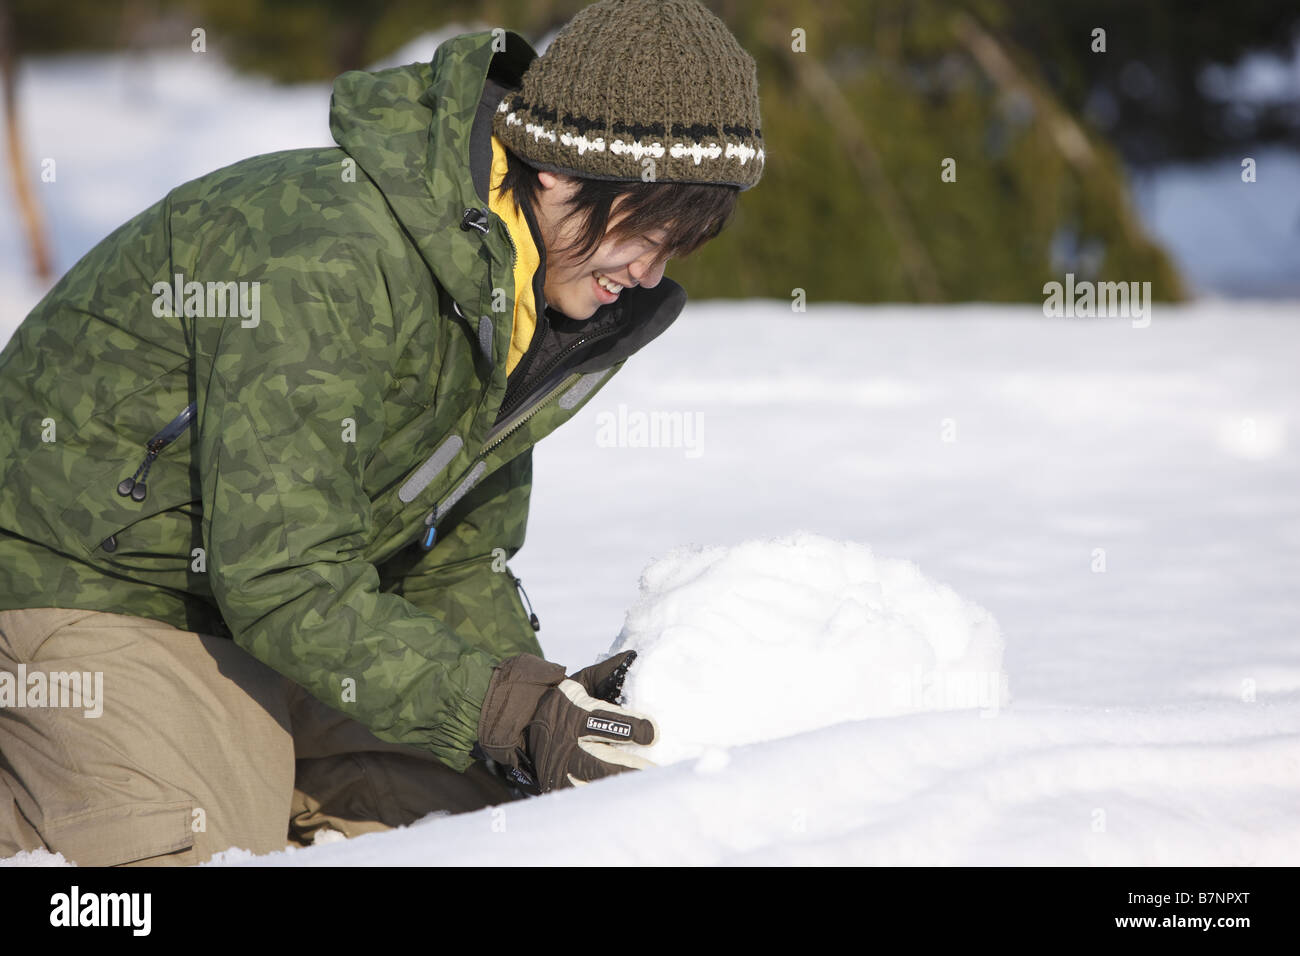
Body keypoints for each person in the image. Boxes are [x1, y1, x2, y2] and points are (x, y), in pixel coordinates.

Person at [0, 0, 763, 865]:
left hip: (268, 606)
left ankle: (236, 764)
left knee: (502, 822)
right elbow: (282, 574)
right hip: (91, 581)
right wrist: (501, 711)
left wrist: (537, 719)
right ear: (556, 173)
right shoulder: (328, 252)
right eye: (646, 228)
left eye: (683, 243)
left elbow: (455, 563)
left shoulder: (524, 297)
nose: (650, 272)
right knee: (188, 851)